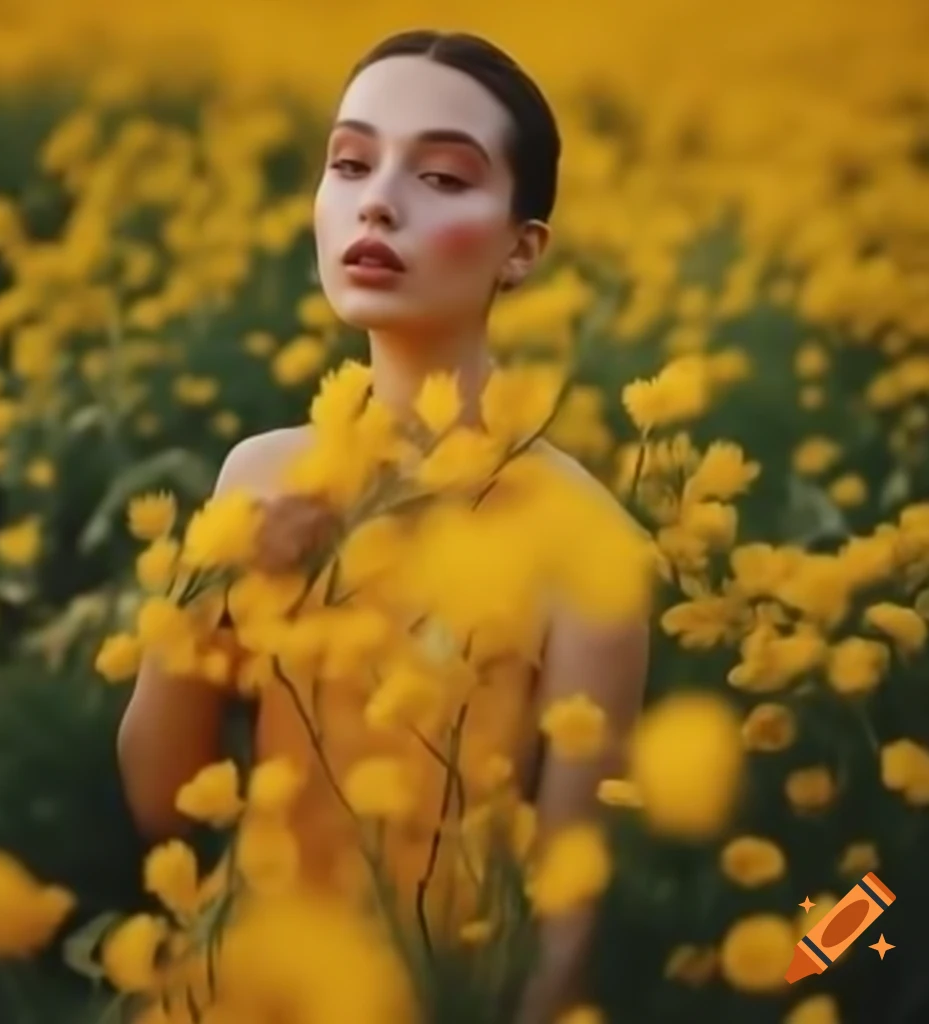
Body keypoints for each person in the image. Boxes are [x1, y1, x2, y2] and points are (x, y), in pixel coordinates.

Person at [117, 29, 649, 1022]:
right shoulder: (260, 477)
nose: (377, 200)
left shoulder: (587, 544)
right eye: (351, 163)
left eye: (443, 176)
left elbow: (570, 906)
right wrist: (209, 595)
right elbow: (164, 804)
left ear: (521, 249)